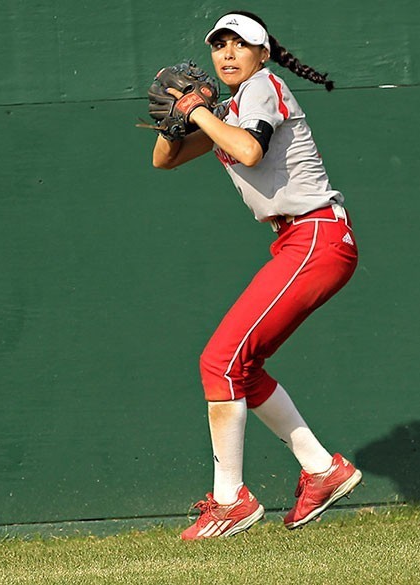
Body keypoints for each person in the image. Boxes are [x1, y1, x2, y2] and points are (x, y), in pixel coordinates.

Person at [149, 11, 362, 540]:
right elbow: (164, 162)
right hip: (302, 240)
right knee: (241, 368)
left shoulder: (264, 85)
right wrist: (174, 121)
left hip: (315, 235)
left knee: (219, 362)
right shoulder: (233, 106)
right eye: (219, 45)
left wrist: (198, 109)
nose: (226, 53)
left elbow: (248, 149)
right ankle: (321, 468)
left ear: (262, 54)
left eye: (239, 44)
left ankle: (230, 502)